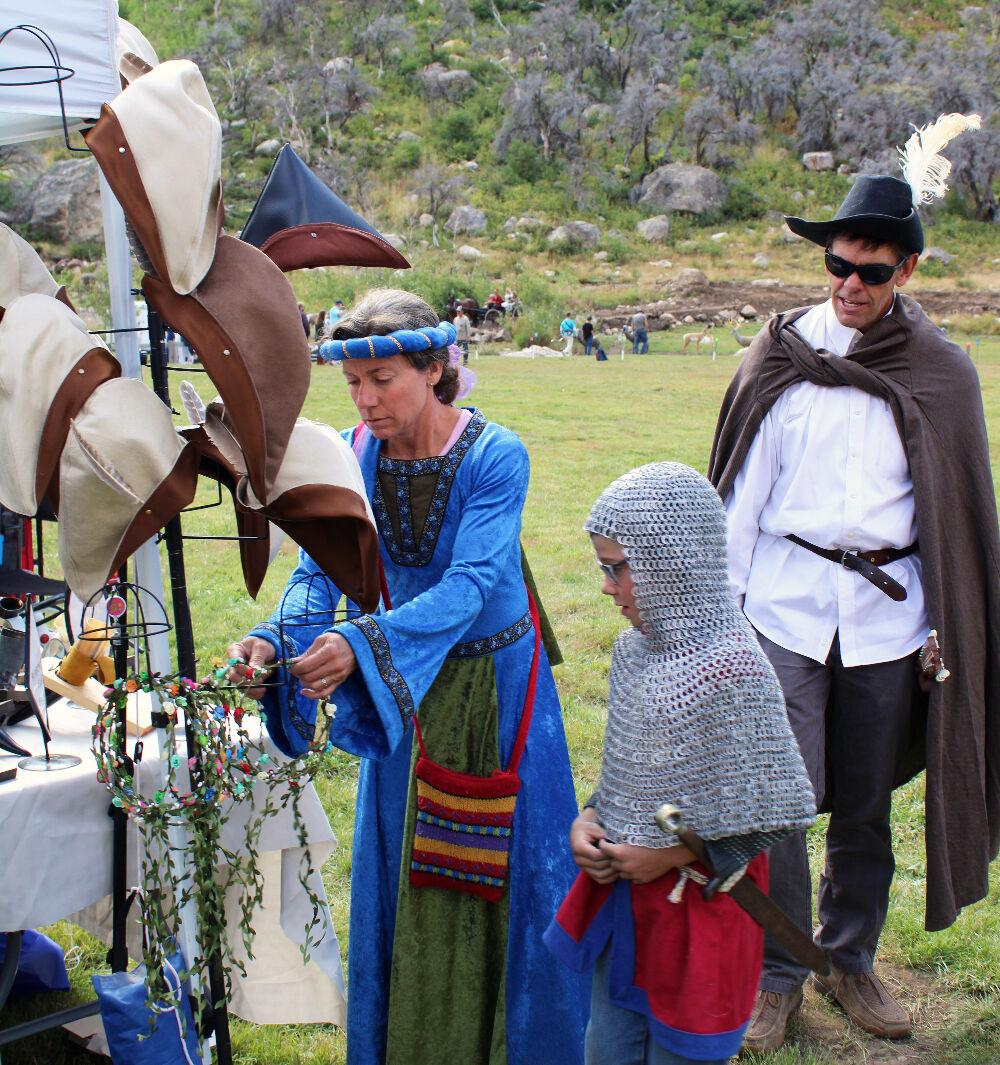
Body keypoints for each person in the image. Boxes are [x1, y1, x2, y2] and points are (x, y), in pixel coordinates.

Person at [228, 288, 588, 1065]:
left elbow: (470, 583)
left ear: (433, 367)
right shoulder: (354, 453)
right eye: (353, 383)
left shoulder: (497, 455)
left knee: (507, 876)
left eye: (382, 378)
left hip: (496, 692)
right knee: (405, 869)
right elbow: (319, 571)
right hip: (403, 688)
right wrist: (271, 639)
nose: (365, 399)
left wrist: (361, 642)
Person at [709, 163, 1000, 1052]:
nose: (850, 285)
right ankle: (781, 972)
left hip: (888, 616)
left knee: (867, 801)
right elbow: (740, 496)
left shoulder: (940, 370)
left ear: (905, 271)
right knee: (783, 797)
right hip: (786, 608)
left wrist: (952, 617)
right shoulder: (781, 353)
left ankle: (851, 958)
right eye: (839, 265)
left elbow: (955, 510)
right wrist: (722, 617)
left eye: (872, 272)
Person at [545, 463, 815, 1065]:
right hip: (626, 909)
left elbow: (770, 817)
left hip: (700, 919)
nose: (607, 586)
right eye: (602, 568)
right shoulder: (634, 654)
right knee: (607, 1045)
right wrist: (590, 818)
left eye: (617, 568)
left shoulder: (734, 671)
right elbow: (625, 773)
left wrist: (668, 855)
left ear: (673, 562)